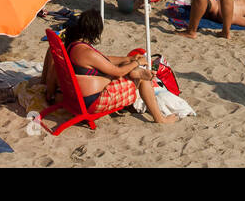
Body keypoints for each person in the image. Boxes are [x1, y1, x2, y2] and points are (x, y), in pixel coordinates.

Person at [43, 10, 176, 125]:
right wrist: (136, 62)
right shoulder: (86, 53)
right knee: (141, 78)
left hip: (72, 97)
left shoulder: (73, 46)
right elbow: (117, 72)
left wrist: (128, 59)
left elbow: (103, 59)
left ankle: (135, 73)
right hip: (90, 103)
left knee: (126, 66)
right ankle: (160, 119)